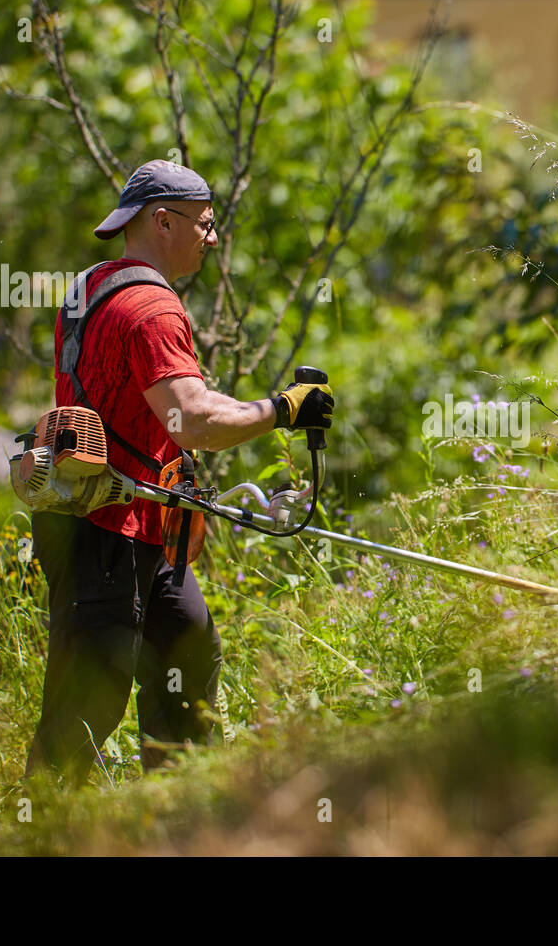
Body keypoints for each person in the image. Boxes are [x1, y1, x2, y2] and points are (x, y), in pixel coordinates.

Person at [25, 159, 334, 786]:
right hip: (106, 533)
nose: (213, 238)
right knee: (84, 709)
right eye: (205, 224)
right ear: (162, 221)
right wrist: (279, 411)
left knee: (187, 659)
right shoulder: (154, 310)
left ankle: (184, 816)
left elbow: (169, 404)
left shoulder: (91, 289)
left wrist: (269, 407)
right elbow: (190, 422)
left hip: (133, 528)